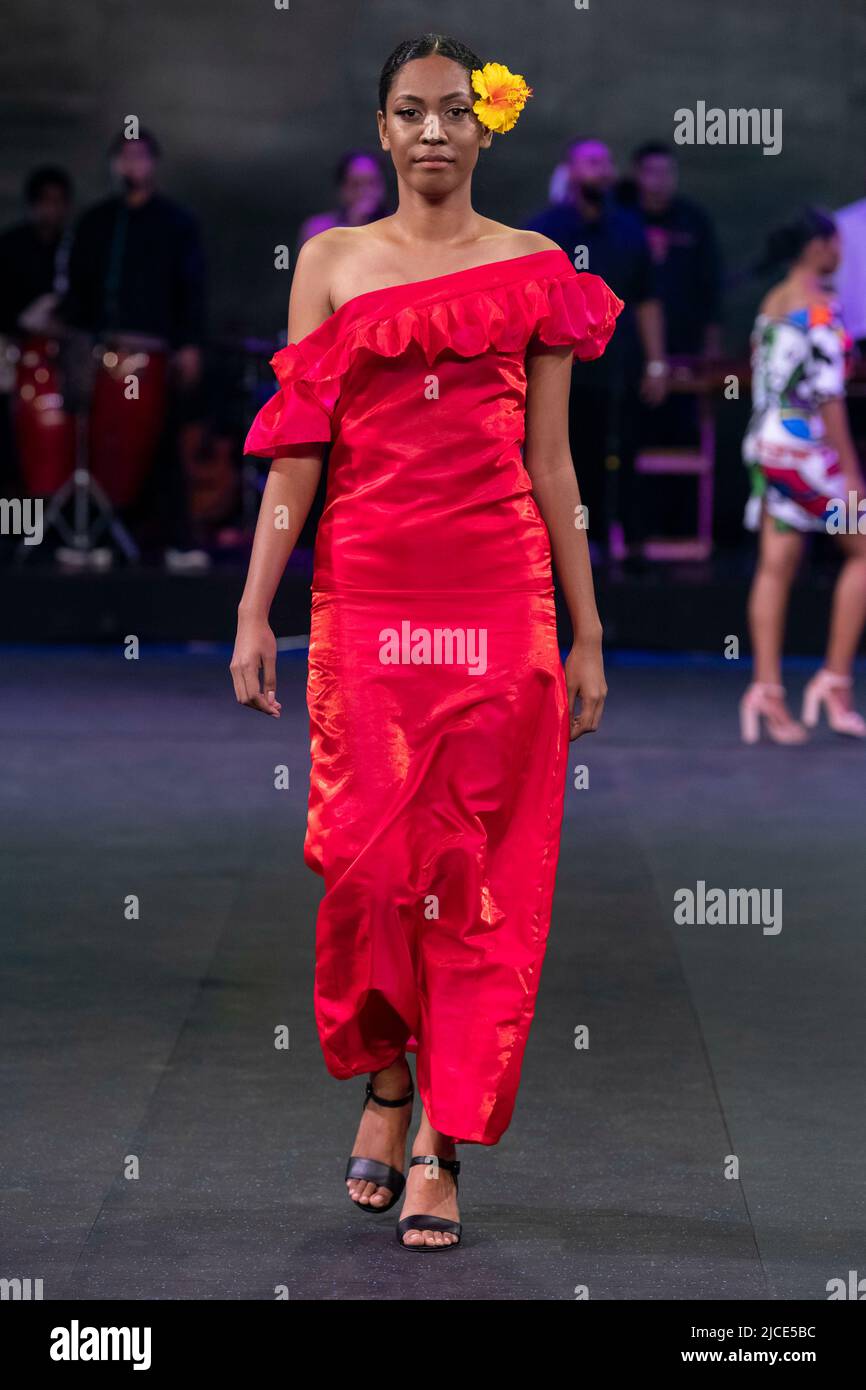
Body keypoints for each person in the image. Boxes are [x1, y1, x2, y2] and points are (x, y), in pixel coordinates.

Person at [232, 33, 622, 1250]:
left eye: (454, 110)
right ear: (382, 129)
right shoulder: (331, 263)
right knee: (363, 861)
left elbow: (551, 462)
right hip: (364, 599)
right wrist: (252, 606)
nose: (434, 131)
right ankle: (388, 1079)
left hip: (499, 596)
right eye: (410, 112)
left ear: (483, 126)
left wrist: (586, 630)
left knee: (478, 874)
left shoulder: (535, 266)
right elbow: (298, 453)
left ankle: (441, 1139)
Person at [740, 209, 866, 743]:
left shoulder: (773, 301)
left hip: (766, 447)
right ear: (817, 247)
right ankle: (834, 682)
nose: (841, 252)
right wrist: (852, 472)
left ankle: (767, 691)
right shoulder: (818, 307)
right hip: (803, 454)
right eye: (835, 243)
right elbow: (828, 396)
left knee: (776, 566)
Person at [61, 128, 209, 570]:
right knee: (106, 445)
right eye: (124, 156)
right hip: (104, 354)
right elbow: (79, 290)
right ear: (114, 164)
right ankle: (101, 538)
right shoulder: (98, 223)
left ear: (153, 163)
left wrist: (188, 343)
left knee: (161, 442)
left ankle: (175, 542)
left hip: (156, 353)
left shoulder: (176, 222)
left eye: (140, 156)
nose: (132, 165)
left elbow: (191, 288)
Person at [528, 138, 666, 558]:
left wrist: (656, 363)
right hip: (561, 372)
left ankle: (628, 548)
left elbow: (647, 299)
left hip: (620, 369)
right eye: (590, 162)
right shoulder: (544, 230)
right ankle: (568, 548)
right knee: (569, 456)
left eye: (605, 162)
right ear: (570, 170)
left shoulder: (629, 229)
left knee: (623, 454)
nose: (600, 169)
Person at [296, 150, 390, 253]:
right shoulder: (319, 229)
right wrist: (355, 224)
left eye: (372, 183)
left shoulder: (397, 228)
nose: (364, 192)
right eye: (355, 185)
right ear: (342, 189)